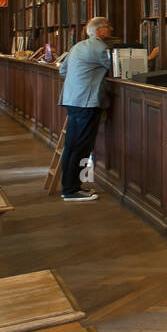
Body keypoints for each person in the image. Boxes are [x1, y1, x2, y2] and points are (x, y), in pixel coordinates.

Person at [57, 16, 114, 202]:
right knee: (82, 147)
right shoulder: (100, 47)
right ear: (98, 31)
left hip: (72, 99)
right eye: (107, 27)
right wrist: (151, 58)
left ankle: (69, 186)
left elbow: (62, 70)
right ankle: (72, 190)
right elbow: (118, 67)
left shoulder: (77, 46)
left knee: (71, 146)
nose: (111, 29)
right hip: (86, 101)